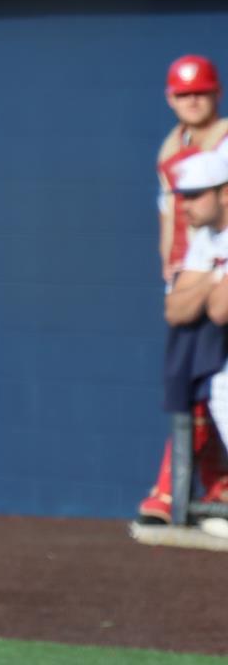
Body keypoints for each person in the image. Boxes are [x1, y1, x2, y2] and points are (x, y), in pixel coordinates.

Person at [139, 147, 228, 524]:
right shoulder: (207, 238)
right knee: (217, 386)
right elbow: (176, 309)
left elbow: (219, 309)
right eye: (182, 196)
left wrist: (206, 284)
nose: (185, 205)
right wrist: (214, 276)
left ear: (225, 193)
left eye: (194, 195)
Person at [157, 55, 226, 283]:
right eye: (183, 94)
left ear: (218, 93)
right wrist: (168, 259)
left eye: (201, 92)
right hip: (185, 271)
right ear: (170, 99)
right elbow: (167, 211)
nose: (192, 101)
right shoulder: (170, 149)